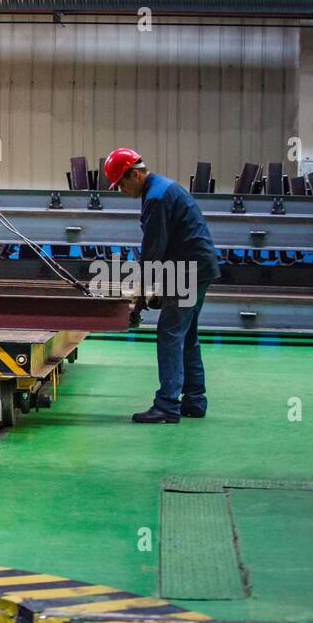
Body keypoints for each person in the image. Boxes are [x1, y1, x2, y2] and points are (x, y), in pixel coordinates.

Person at [104, 148, 220, 423]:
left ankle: (167, 406)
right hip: (196, 267)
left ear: (135, 173)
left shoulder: (156, 197)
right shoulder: (160, 189)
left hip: (189, 270)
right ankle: (194, 400)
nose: (120, 189)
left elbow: (153, 252)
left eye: (121, 183)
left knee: (169, 334)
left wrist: (140, 297)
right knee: (186, 334)